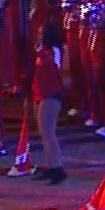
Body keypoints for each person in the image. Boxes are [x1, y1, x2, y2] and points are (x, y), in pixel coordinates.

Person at [32, 23, 68, 185]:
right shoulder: (41, 51)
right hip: (40, 93)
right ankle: (51, 166)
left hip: (51, 94)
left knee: (49, 134)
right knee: (43, 133)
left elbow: (56, 69)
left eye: (41, 32)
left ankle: (58, 168)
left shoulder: (55, 51)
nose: (38, 35)